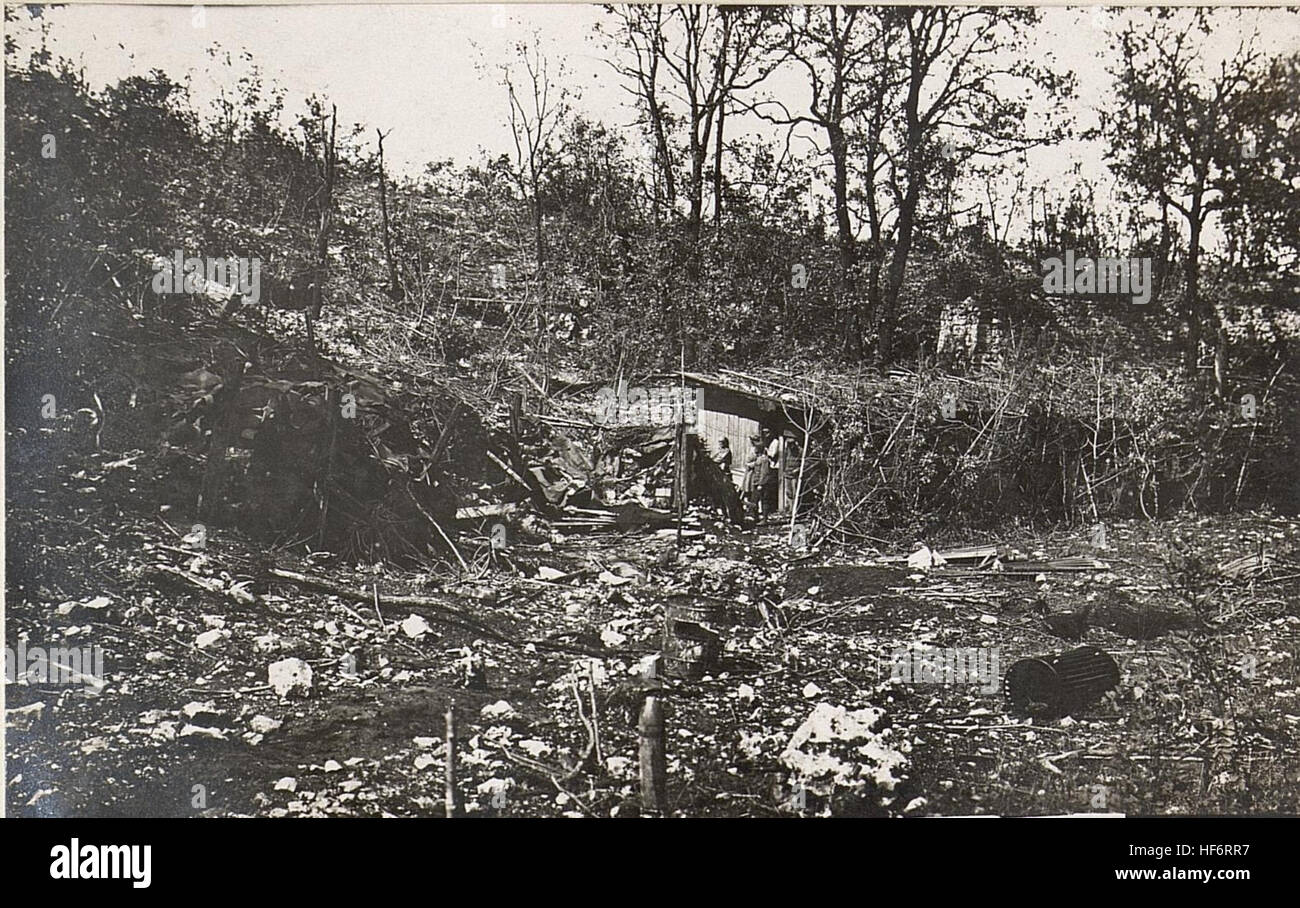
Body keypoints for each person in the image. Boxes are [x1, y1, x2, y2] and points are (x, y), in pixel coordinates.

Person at [763, 430, 782, 517]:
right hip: (771, 466)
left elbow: (773, 455)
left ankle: (773, 508)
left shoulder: (776, 442)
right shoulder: (771, 442)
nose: (766, 435)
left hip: (775, 467)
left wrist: (767, 451)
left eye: (767, 433)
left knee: (772, 488)